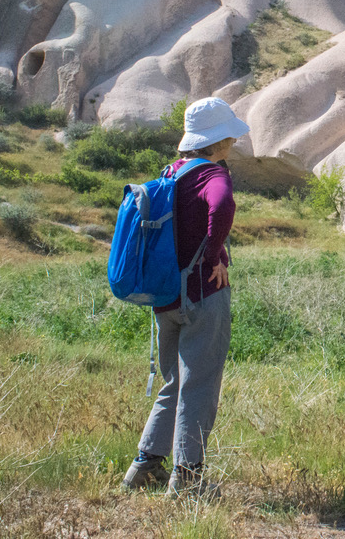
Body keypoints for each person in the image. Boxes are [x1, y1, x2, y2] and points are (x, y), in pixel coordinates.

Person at [121, 97, 249, 497]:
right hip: (201, 295)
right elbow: (223, 205)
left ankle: (144, 466)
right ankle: (188, 479)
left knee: (173, 382)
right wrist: (213, 257)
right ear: (221, 139)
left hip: (165, 298)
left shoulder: (172, 171)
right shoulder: (213, 175)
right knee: (200, 383)